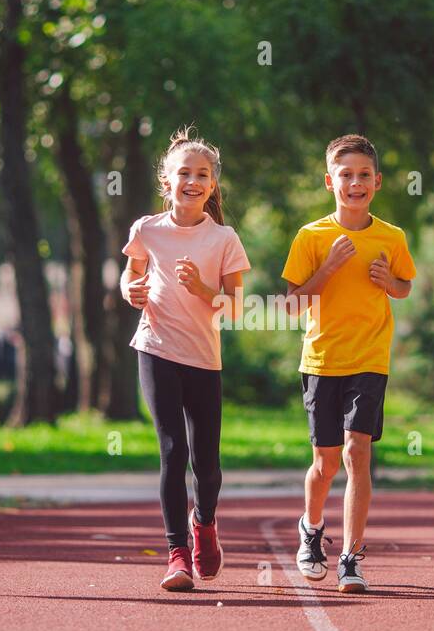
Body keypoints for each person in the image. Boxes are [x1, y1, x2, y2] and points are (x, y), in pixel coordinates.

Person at [119, 127, 252, 591]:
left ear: (212, 185)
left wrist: (202, 289)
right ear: (167, 181)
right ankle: (177, 554)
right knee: (172, 452)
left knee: (206, 463)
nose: (192, 181)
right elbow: (130, 273)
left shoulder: (224, 239)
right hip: (155, 347)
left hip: (203, 357)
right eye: (183, 173)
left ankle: (206, 524)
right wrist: (128, 290)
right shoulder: (147, 230)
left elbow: (236, 305)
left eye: (202, 174)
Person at [281, 134, 416, 593]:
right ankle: (311, 528)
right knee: (326, 462)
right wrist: (327, 270)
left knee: (359, 451)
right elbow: (290, 306)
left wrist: (389, 281)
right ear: (329, 181)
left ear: (377, 182)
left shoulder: (392, 237)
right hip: (321, 359)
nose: (354, 183)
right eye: (345, 175)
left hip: (370, 358)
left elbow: (404, 288)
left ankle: (352, 557)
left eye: (363, 175)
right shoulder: (311, 237)